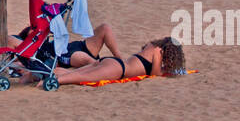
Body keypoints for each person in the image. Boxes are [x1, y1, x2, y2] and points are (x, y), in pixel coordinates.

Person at [45, 36, 186, 85]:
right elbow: (155, 74)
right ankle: (54, 81)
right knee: (81, 77)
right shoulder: (158, 51)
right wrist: (167, 71)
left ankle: (46, 73)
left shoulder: (151, 46)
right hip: (118, 69)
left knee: (78, 73)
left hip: (113, 63)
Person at [12, 20, 124, 69]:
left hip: (78, 45)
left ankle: (121, 61)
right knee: (86, 59)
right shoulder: (29, 52)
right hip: (65, 57)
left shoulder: (44, 40)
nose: (36, 33)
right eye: (31, 32)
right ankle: (107, 68)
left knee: (104, 28)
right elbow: (16, 57)